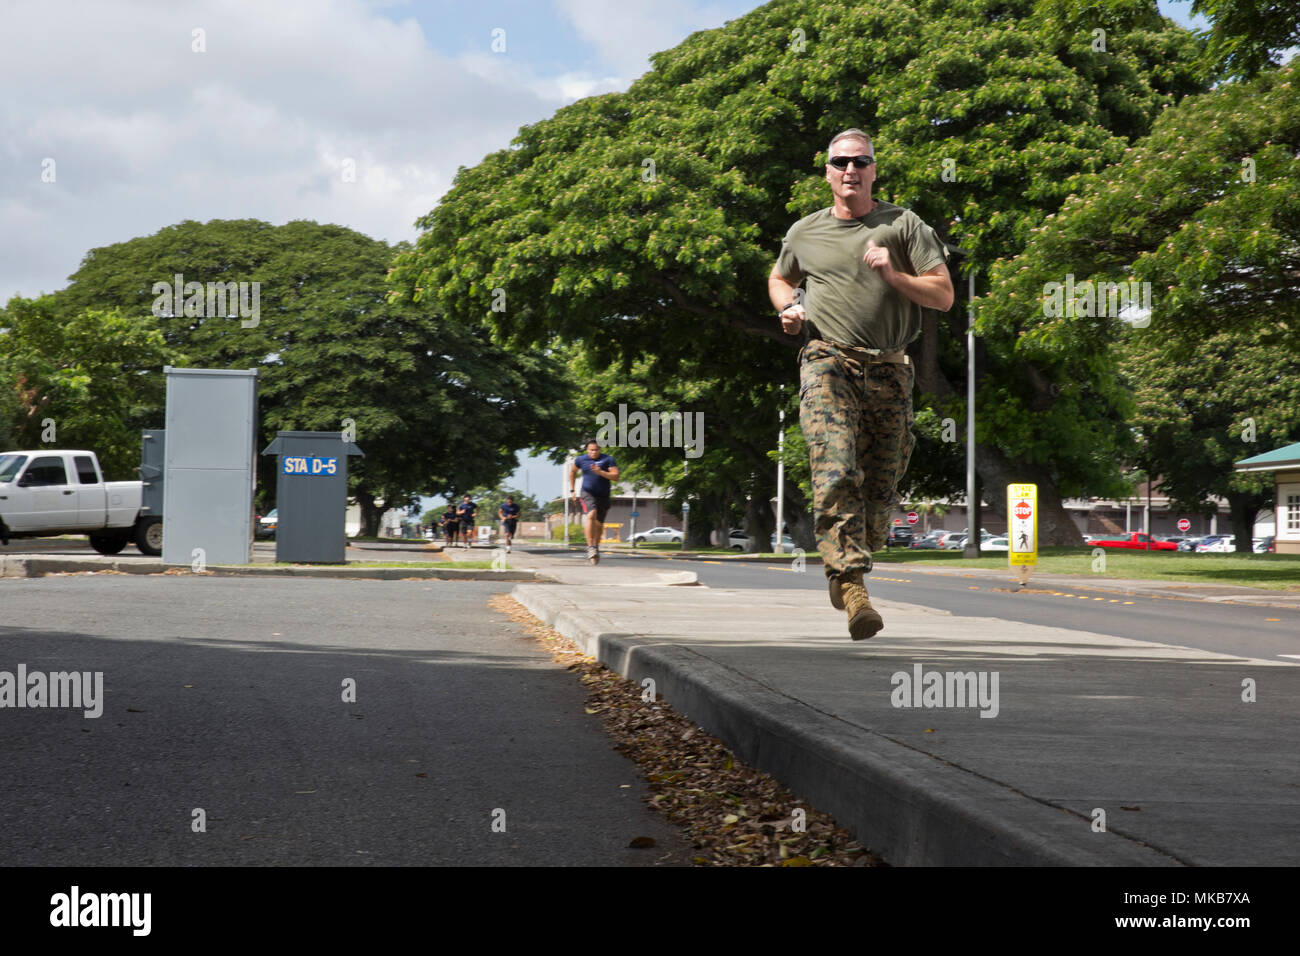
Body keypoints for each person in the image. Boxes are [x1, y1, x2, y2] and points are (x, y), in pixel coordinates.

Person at [769, 128, 953, 640]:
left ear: (874, 171)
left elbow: (942, 296)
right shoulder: (804, 231)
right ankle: (852, 586)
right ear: (826, 171)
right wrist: (789, 308)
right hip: (827, 359)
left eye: (861, 162)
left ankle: (853, 555)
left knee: (881, 486)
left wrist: (893, 276)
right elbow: (780, 277)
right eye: (840, 162)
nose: (850, 170)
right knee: (836, 466)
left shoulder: (904, 225)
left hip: (891, 368)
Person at [568, 439, 619, 565]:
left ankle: (595, 547)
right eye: (591, 450)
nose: (594, 452)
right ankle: (590, 546)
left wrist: (600, 472)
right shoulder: (581, 460)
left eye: (596, 450)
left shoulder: (608, 459)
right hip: (587, 493)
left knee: (599, 525)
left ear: (600, 450)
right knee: (591, 514)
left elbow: (616, 476)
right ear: (587, 450)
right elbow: (573, 472)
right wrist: (572, 490)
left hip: (603, 495)